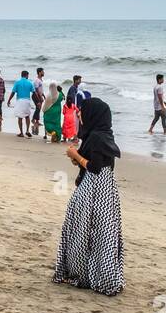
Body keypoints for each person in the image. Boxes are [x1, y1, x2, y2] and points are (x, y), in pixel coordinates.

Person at [53, 97, 123, 296]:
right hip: (106, 190)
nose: (80, 114)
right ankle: (94, 270)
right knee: (100, 230)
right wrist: (77, 157)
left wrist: (75, 155)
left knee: (84, 227)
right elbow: (92, 161)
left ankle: (85, 272)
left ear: (93, 114)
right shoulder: (103, 135)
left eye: (83, 111)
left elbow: (94, 167)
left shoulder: (97, 138)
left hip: (94, 189)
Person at [8, 70, 36, 137]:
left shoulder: (17, 82)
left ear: (21, 75)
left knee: (20, 117)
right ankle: (27, 130)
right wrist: (37, 101)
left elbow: (13, 92)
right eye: (28, 75)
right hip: (27, 101)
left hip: (20, 101)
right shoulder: (30, 83)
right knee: (27, 116)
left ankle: (21, 133)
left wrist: (9, 100)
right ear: (26, 75)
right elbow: (34, 93)